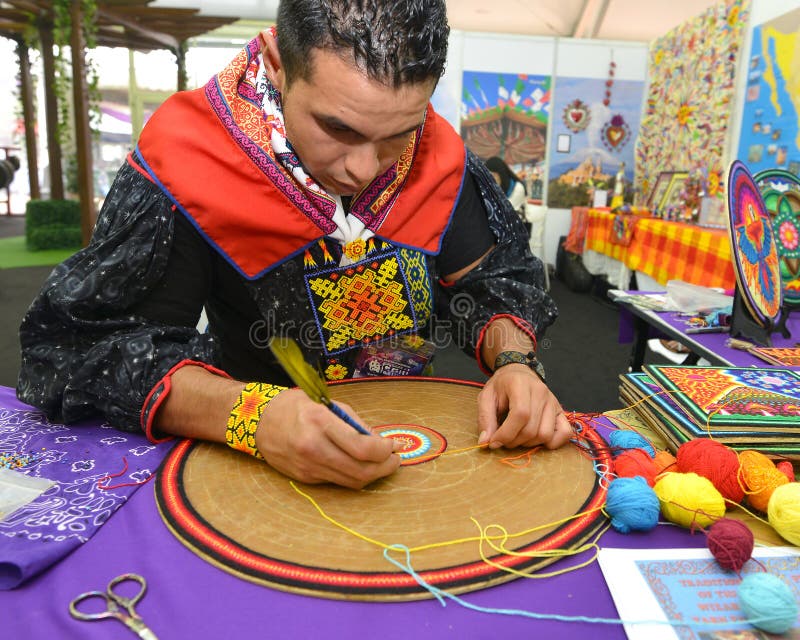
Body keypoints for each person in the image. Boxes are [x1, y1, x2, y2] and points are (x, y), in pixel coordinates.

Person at [17, 0, 570, 490]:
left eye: (400, 133)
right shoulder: (188, 162)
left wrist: (514, 363)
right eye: (339, 129)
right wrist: (252, 417)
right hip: (259, 463)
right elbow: (88, 348)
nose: (362, 169)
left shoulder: (438, 155)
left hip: (418, 447)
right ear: (278, 64)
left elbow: (494, 285)